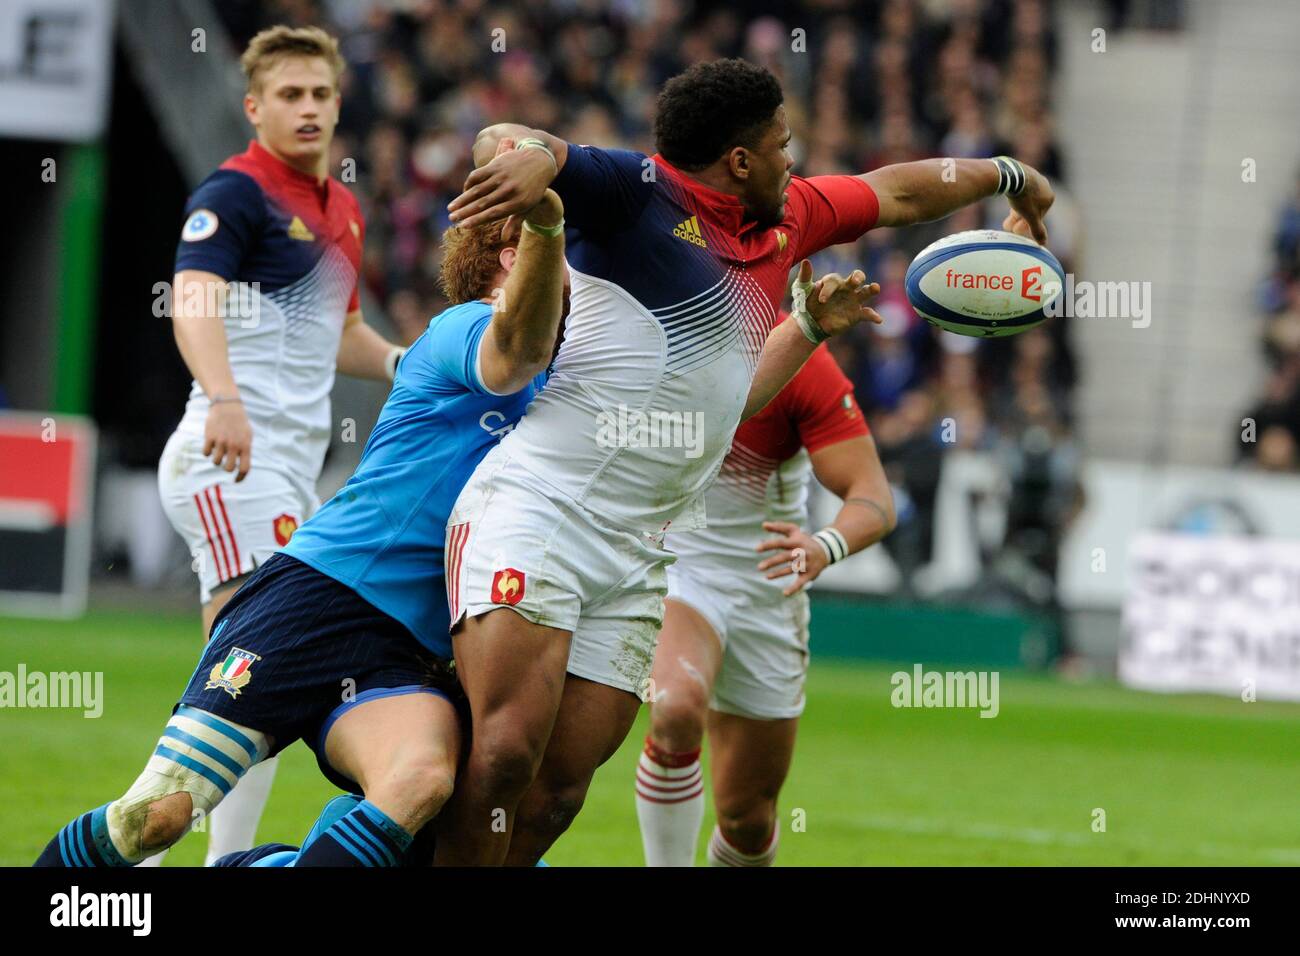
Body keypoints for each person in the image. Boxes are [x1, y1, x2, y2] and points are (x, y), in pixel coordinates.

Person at [438, 57, 1052, 866]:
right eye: (783, 143)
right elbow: (518, 140)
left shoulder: (790, 217)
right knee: (504, 757)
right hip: (539, 509)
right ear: (740, 160)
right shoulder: (633, 194)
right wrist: (515, 149)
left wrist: (1011, 175)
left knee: (555, 796)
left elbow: (901, 190)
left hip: (637, 554)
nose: (793, 159)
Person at [34, 174, 568, 868]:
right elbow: (518, 350)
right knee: (157, 817)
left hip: (406, 651)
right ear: (512, 258)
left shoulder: (572, 387)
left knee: (420, 782)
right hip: (318, 596)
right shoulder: (468, 328)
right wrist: (549, 223)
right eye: (564, 254)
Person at [150, 25, 405, 865]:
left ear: (338, 102)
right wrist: (223, 397)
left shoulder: (343, 207)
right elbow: (192, 300)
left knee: (245, 682)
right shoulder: (236, 193)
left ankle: (162, 853)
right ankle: (169, 856)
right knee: (249, 679)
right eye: (289, 95)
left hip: (287, 476)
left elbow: (345, 337)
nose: (307, 109)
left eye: (320, 94)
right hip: (229, 462)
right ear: (254, 106)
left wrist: (414, 363)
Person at [636, 337, 895, 866]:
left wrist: (826, 546)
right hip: (679, 568)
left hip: (768, 587)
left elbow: (874, 498)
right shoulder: (649, 325)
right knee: (676, 705)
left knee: (747, 820)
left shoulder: (800, 354)